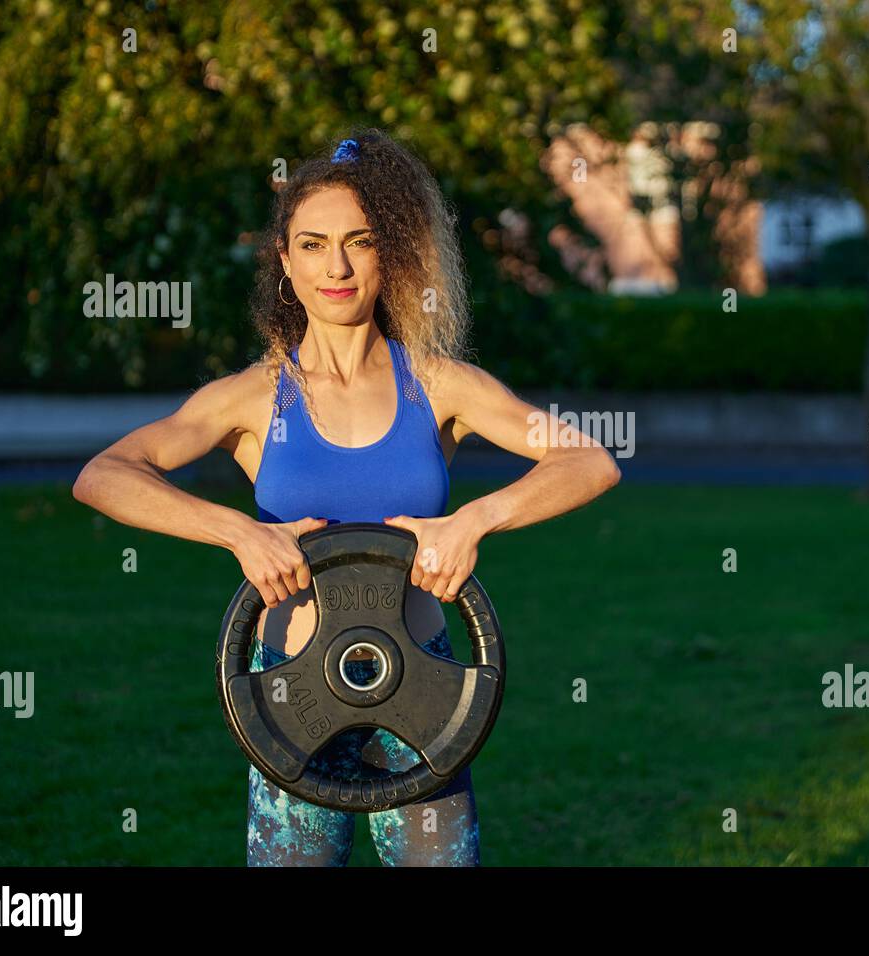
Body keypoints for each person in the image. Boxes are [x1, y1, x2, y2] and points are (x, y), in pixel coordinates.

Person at [72, 127, 622, 866]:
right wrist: (237, 532)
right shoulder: (252, 396)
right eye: (312, 244)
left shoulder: (438, 383)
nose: (336, 265)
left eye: (358, 242)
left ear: (387, 254)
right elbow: (104, 474)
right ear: (284, 262)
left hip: (419, 685)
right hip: (293, 694)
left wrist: (475, 520)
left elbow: (589, 459)